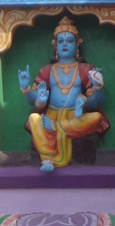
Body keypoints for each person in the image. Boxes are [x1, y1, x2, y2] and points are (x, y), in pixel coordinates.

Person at [18, 15, 109, 171]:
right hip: (52, 114)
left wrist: (97, 88)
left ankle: (57, 127)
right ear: (55, 46)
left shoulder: (85, 69)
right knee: (34, 119)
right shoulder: (47, 70)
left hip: (75, 116)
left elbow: (96, 102)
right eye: (60, 41)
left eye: (69, 41)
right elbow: (35, 101)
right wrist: (26, 89)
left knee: (96, 117)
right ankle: (47, 159)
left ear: (77, 44)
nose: (65, 44)